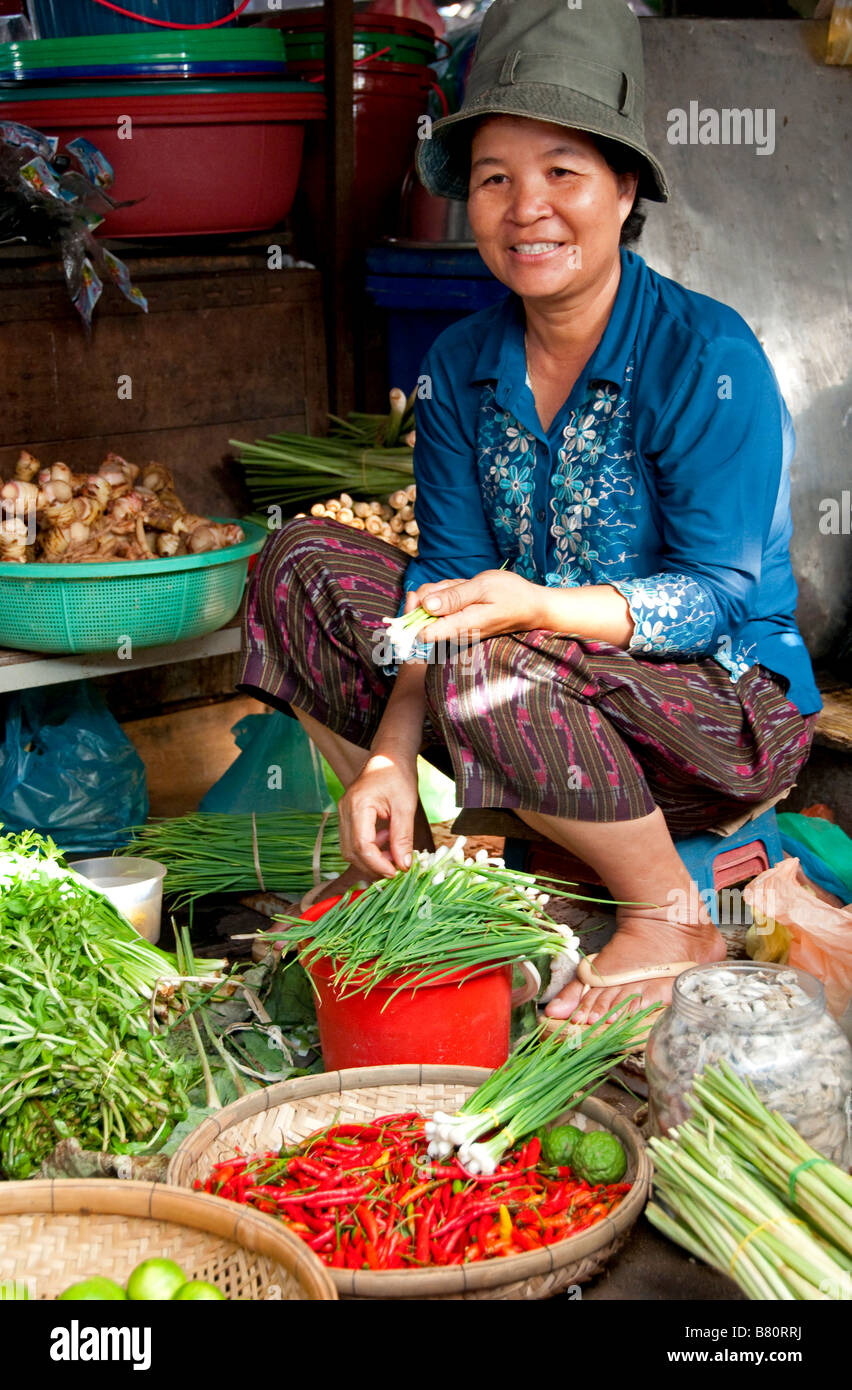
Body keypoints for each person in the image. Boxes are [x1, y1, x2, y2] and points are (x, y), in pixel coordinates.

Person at [238, 0, 821, 1028]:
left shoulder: (705, 355)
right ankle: (415, 853)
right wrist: (386, 751)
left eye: (563, 172)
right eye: (496, 178)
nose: (526, 209)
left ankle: (666, 909)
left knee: (493, 639)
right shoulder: (463, 364)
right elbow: (443, 582)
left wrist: (535, 607)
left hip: (718, 716)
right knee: (301, 564)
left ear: (624, 186)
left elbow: (719, 596)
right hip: (526, 698)